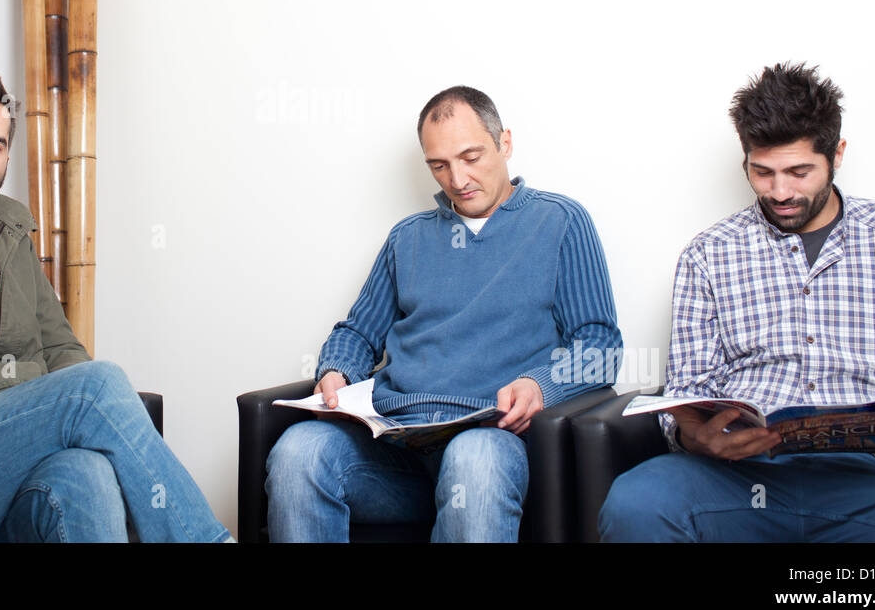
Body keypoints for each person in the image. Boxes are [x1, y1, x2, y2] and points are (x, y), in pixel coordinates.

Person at [0, 75, 232, 542]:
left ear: (6, 159)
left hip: (11, 466)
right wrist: (15, 380)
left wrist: (44, 393)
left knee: (84, 473)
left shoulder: (8, 232)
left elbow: (60, 348)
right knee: (96, 385)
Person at [600, 62, 875, 542]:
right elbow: (688, 391)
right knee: (636, 502)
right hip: (737, 477)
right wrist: (693, 435)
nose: (781, 192)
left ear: (837, 154)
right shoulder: (708, 255)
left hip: (871, 485)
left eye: (799, 171)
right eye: (762, 172)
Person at [265, 85, 623, 542]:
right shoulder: (407, 238)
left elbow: (600, 345)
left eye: (471, 157)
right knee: (299, 450)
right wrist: (336, 371)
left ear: (505, 143)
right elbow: (356, 333)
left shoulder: (561, 222)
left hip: (491, 443)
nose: (457, 179)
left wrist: (541, 384)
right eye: (439, 165)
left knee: (473, 458)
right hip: (398, 447)